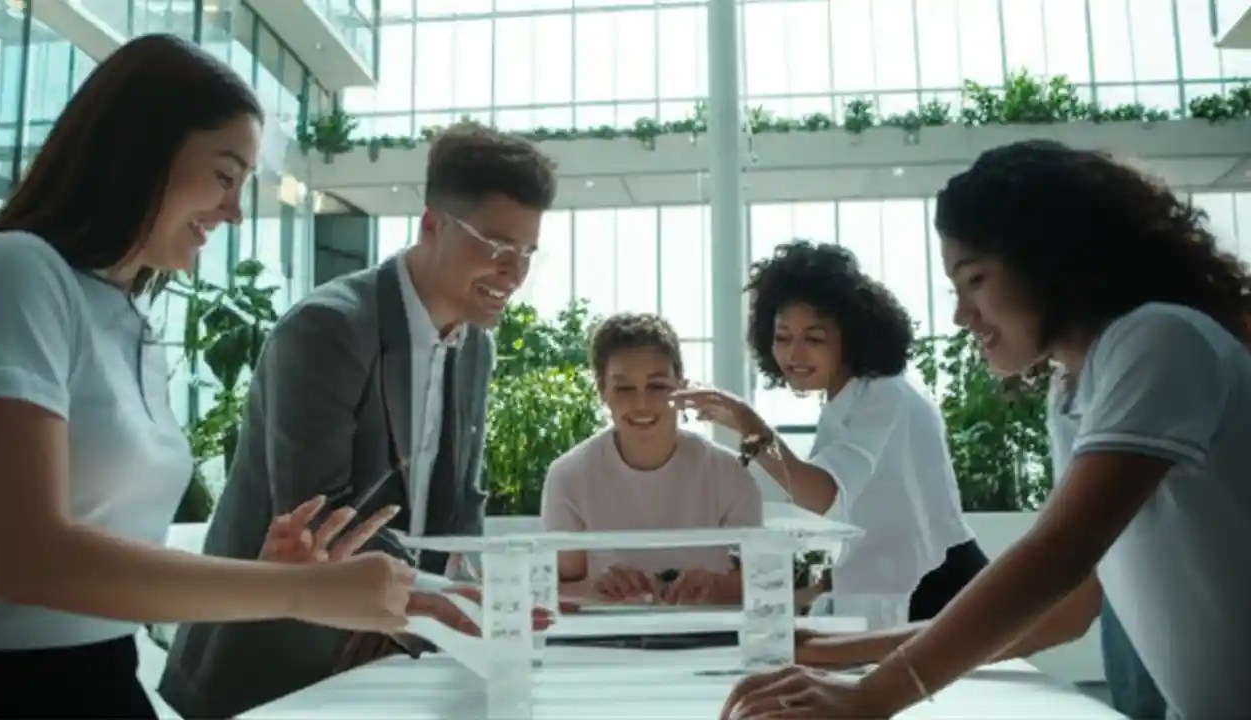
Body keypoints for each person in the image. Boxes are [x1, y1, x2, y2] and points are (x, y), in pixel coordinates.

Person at [721, 140, 1251, 720]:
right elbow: (1068, 608)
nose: (961, 314)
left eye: (975, 279)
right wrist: (842, 652)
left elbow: (1060, 555)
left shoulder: (1159, 340)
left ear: (1049, 259)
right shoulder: (1073, 389)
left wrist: (873, 694)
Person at [0, 34, 414, 720]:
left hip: (104, 679)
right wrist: (300, 593)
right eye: (225, 175)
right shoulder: (18, 271)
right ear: (141, 151)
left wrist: (267, 579)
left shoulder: (133, 321)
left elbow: (110, 562)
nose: (235, 211)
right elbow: (30, 559)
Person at [159, 120, 560, 717]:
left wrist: (474, 596)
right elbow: (318, 513)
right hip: (277, 664)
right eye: (498, 247)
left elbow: (459, 501)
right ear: (432, 225)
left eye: (526, 253)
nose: (514, 273)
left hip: (392, 660)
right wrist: (438, 597)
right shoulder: (328, 328)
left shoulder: (475, 345)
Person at [672, 241, 983, 628]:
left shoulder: (885, 395)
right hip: (901, 595)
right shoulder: (843, 404)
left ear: (850, 338)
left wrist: (748, 424)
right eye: (783, 337)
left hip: (940, 587)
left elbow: (823, 495)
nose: (794, 355)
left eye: (814, 339)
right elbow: (851, 528)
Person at [542, 313, 762, 606]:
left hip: (708, 629)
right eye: (624, 388)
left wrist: (716, 587)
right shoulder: (568, 476)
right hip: (605, 631)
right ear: (602, 391)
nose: (641, 403)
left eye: (657, 386)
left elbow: (762, 580)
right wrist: (598, 588)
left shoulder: (728, 473)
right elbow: (559, 586)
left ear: (681, 387)